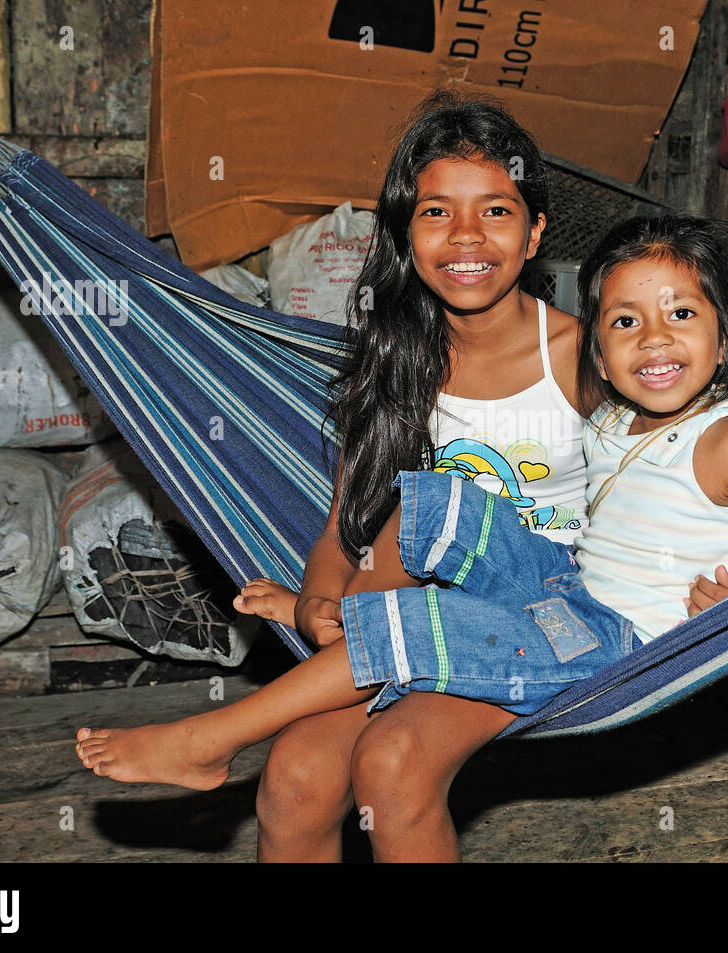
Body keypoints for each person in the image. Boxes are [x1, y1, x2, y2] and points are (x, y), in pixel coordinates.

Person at [75, 214, 728, 857]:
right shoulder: (614, 419)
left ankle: (210, 737)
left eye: (682, 314)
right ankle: (341, 615)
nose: (656, 339)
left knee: (425, 629)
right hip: (560, 582)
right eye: (628, 321)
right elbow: (372, 508)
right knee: (435, 499)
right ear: (597, 347)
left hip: (609, 637)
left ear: (721, 331)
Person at [73, 90, 605, 862]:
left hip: (543, 625)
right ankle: (304, 672)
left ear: (535, 233)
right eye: (435, 213)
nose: (466, 237)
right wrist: (321, 601)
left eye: (495, 210)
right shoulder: (395, 368)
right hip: (401, 613)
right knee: (292, 776)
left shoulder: (587, 362)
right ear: (403, 233)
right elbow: (345, 528)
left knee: (391, 765)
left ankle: (209, 735)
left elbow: (674, 475)